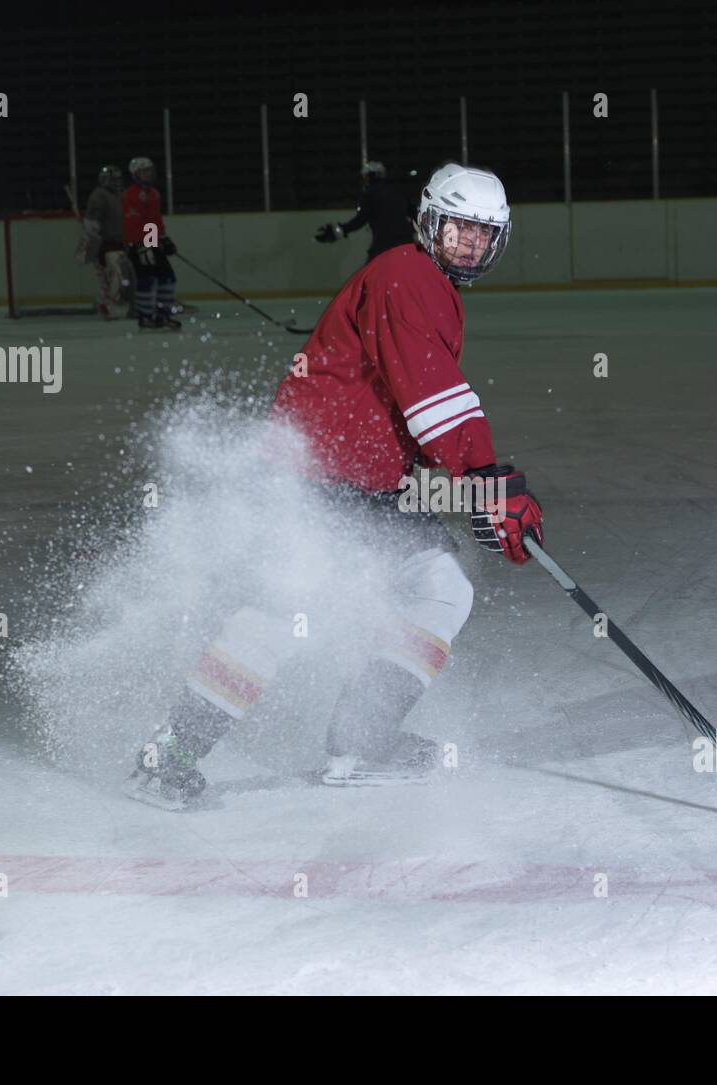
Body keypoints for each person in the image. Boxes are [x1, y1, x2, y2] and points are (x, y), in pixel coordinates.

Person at [124, 163, 542, 808]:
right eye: (458, 229)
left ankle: (362, 740)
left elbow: (410, 411)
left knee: (440, 590)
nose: (469, 245)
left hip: (367, 478)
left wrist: (466, 487)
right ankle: (168, 753)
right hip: (317, 476)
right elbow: (434, 396)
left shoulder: (423, 282)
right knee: (286, 609)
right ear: (430, 224)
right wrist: (485, 478)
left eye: (483, 236)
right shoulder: (407, 274)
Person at [314, 160, 415, 262]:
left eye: (365, 177)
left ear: (369, 177)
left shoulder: (369, 194)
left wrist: (341, 229)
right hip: (407, 244)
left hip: (383, 246)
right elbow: (413, 212)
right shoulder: (398, 191)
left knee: (372, 275)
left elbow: (360, 220)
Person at [121, 156, 180, 329]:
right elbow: (133, 223)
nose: (148, 174)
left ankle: (163, 315)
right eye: (144, 171)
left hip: (151, 242)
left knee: (167, 278)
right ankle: (145, 316)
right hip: (138, 244)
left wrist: (163, 238)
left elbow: (154, 220)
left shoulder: (154, 193)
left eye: (150, 170)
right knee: (146, 279)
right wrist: (143, 243)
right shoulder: (129, 195)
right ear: (135, 174)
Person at [81, 164, 130, 319]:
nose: (116, 182)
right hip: (106, 245)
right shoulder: (100, 195)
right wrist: (95, 240)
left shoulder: (119, 195)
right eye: (112, 179)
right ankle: (108, 306)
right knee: (113, 276)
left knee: (116, 277)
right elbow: (91, 222)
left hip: (119, 243)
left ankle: (106, 304)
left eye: (117, 179)